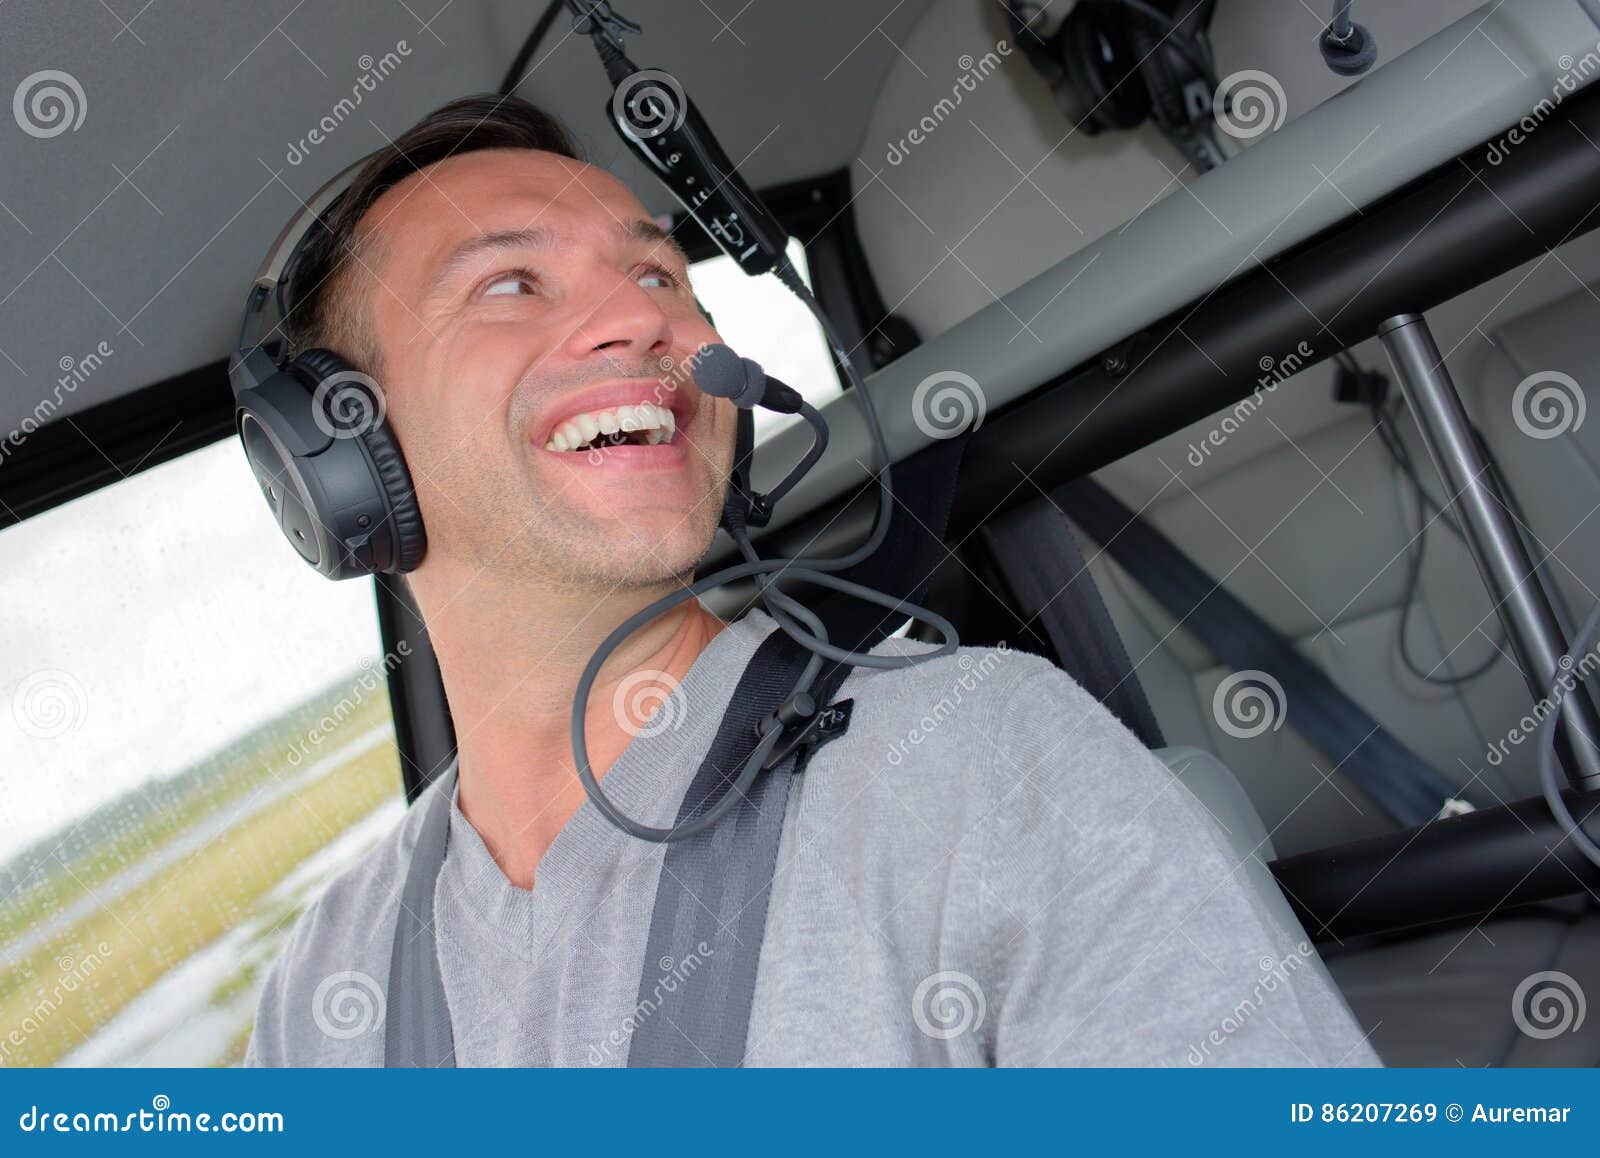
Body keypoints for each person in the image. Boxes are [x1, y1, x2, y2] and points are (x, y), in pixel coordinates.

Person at [244, 94, 1379, 1067]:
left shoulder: (984, 764)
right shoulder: (326, 993)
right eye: (508, 286)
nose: (646, 317)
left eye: (658, 271)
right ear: (333, 455)